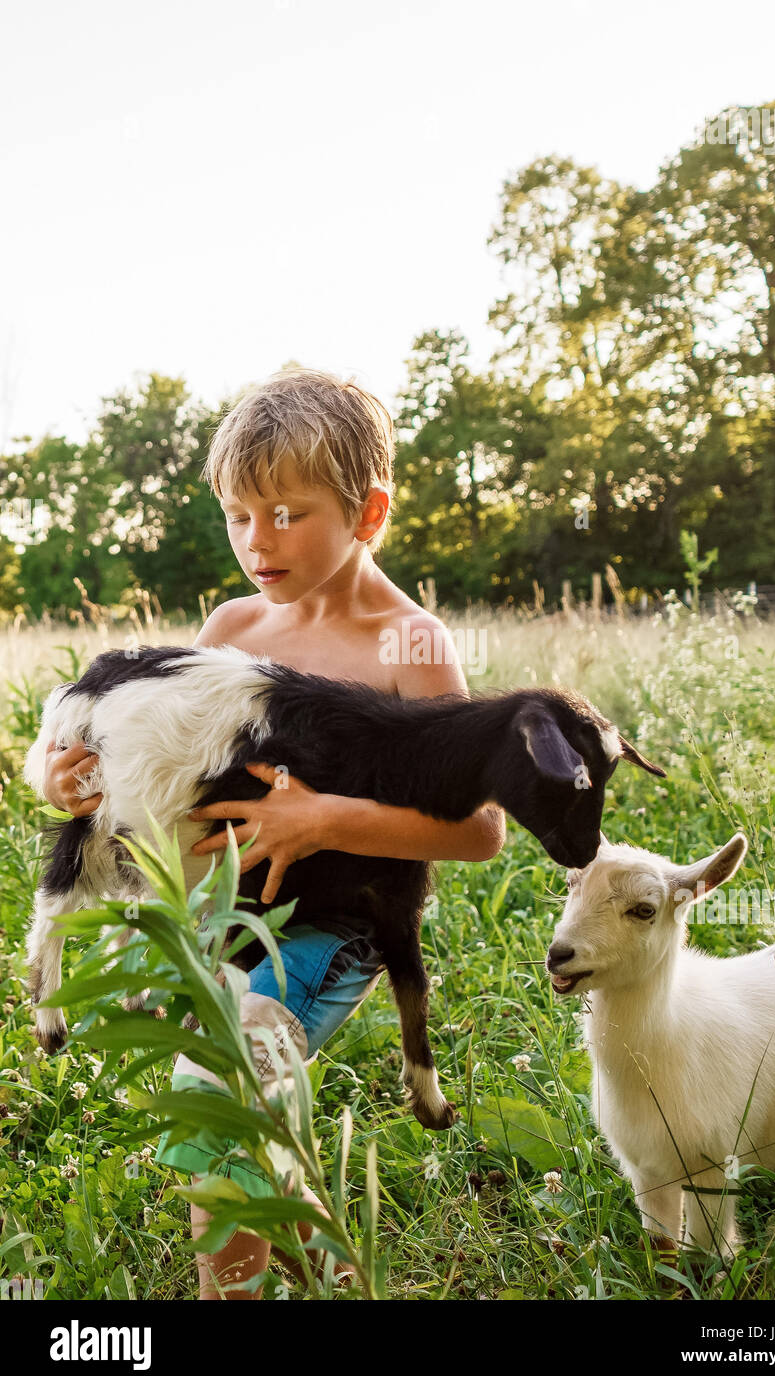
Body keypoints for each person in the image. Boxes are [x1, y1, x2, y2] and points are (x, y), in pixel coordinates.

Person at [41, 366, 506, 1299]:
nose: (259, 541)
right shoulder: (231, 625)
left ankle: (231, 1293)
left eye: (287, 513)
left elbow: (480, 828)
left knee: (225, 1086)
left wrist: (325, 815)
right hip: (220, 912)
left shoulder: (409, 644)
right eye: (239, 515)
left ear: (368, 514)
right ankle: (324, 1250)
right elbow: (171, 755)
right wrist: (80, 784)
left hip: (336, 931)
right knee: (221, 1086)